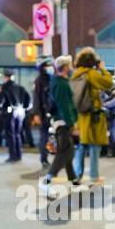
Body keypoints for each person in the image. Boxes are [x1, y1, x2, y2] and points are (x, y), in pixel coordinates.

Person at [70, 48, 112, 185]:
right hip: (93, 115)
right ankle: (94, 176)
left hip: (80, 115)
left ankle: (77, 175)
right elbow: (108, 83)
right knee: (95, 146)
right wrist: (103, 69)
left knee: (81, 146)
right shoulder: (92, 74)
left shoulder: (76, 74)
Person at [43, 55, 79, 187]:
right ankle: (48, 177)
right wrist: (72, 124)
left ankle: (73, 179)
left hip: (60, 121)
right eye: (69, 66)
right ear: (64, 68)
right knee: (66, 151)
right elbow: (65, 106)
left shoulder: (58, 82)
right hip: (63, 122)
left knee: (67, 150)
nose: (70, 68)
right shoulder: (61, 84)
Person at [0, 69, 30, 163]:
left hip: (10, 112)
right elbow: (27, 98)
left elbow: (0, 100)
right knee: (18, 134)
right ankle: (19, 155)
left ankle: (12, 156)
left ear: (5, 77)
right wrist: (24, 107)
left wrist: (0, 110)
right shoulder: (20, 87)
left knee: (10, 134)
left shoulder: (5, 87)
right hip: (20, 111)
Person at [31, 58, 52, 168]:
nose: (49, 68)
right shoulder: (39, 81)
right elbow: (36, 99)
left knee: (50, 136)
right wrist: (36, 114)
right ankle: (44, 159)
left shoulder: (51, 78)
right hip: (43, 113)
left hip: (52, 111)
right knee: (44, 136)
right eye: (46, 66)